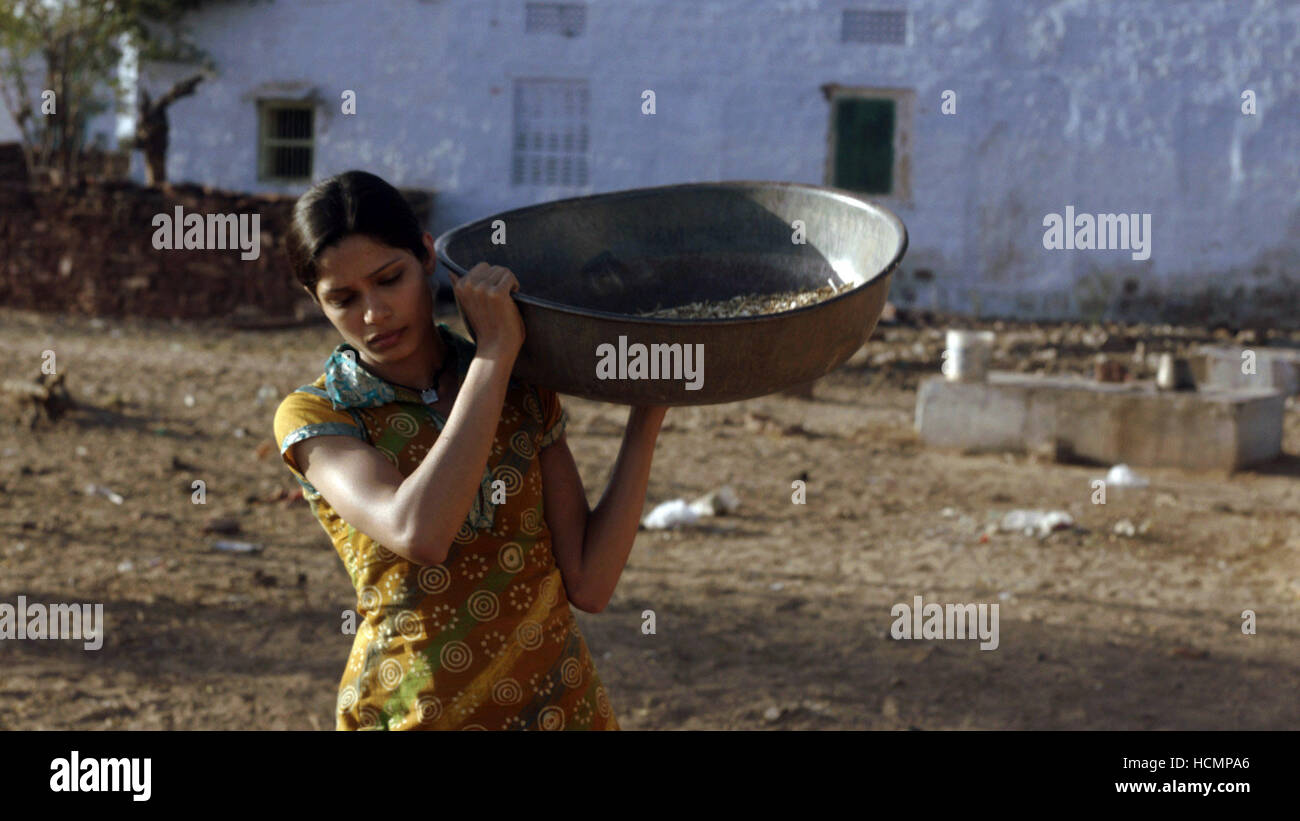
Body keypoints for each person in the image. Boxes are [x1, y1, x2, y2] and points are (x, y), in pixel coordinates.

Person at [273, 170, 667, 730]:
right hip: (420, 709)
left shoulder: (521, 389)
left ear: (429, 257)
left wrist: (649, 412)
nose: (374, 313)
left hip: (558, 708)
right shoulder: (321, 416)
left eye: (390, 279)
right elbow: (419, 532)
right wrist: (494, 355)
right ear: (315, 300)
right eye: (343, 298)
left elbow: (590, 583)